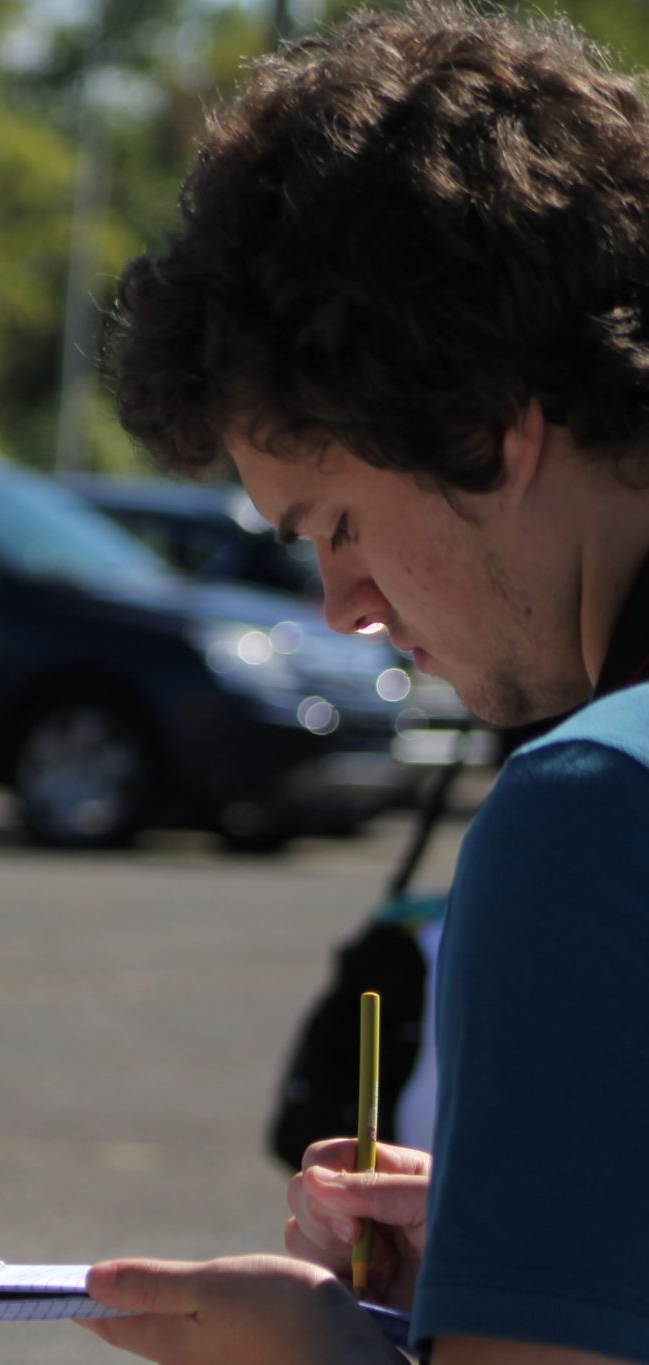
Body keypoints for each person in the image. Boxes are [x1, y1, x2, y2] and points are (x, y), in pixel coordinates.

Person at [79, 4, 649, 1362]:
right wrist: (547, 1240)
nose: (342, 608)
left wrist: (327, 1352)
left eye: (335, 521)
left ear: (484, 427)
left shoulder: (595, 810)